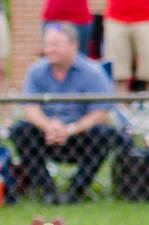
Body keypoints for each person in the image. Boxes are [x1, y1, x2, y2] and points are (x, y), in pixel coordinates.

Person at [11, 23, 119, 205]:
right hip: (46, 135)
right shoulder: (36, 71)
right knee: (20, 130)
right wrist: (48, 126)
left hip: (80, 136)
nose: (50, 50)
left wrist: (70, 129)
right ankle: (48, 191)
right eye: (47, 45)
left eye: (56, 45)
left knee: (103, 134)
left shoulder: (93, 72)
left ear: (73, 46)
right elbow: (30, 109)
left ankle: (75, 192)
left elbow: (100, 114)